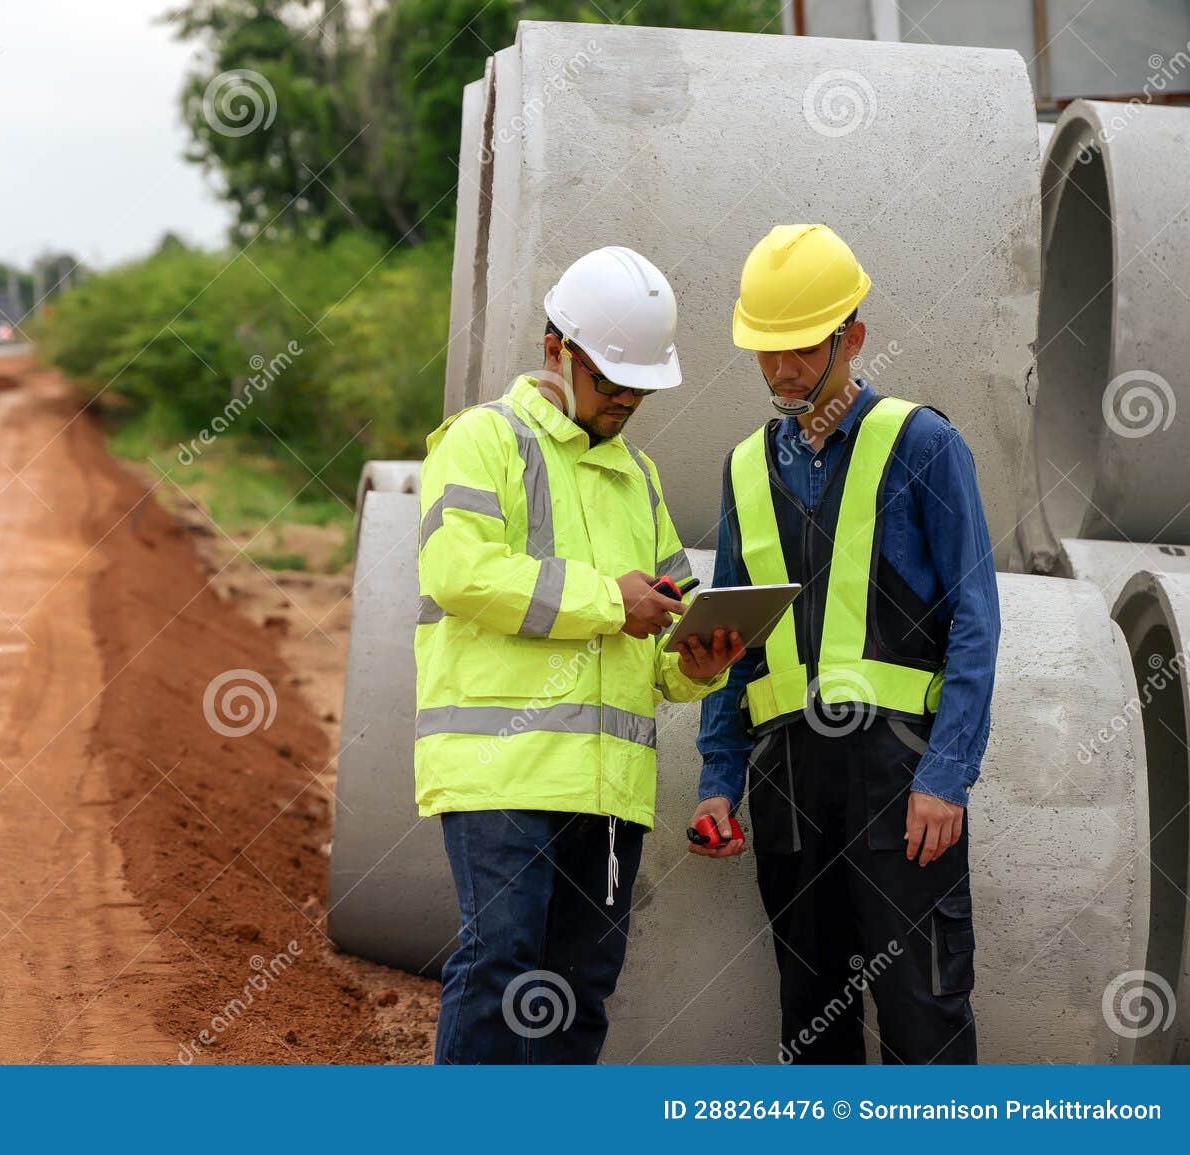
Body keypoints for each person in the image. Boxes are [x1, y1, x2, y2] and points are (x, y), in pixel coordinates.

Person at [415, 245, 744, 1064]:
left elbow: (661, 638)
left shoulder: (640, 478)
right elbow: (460, 572)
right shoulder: (484, 440)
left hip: (606, 789)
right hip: (504, 768)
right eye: (612, 382)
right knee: (500, 966)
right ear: (557, 350)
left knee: (578, 992)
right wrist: (609, 601)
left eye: (640, 388)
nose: (627, 400)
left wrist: (698, 660)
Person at [691, 224, 1000, 1064]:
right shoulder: (746, 468)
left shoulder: (923, 445)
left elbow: (977, 616)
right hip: (788, 785)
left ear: (851, 337)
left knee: (921, 1019)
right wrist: (719, 780)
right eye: (766, 352)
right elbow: (730, 640)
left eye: (800, 350)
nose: (783, 371)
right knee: (811, 1024)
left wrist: (946, 775)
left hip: (900, 783)